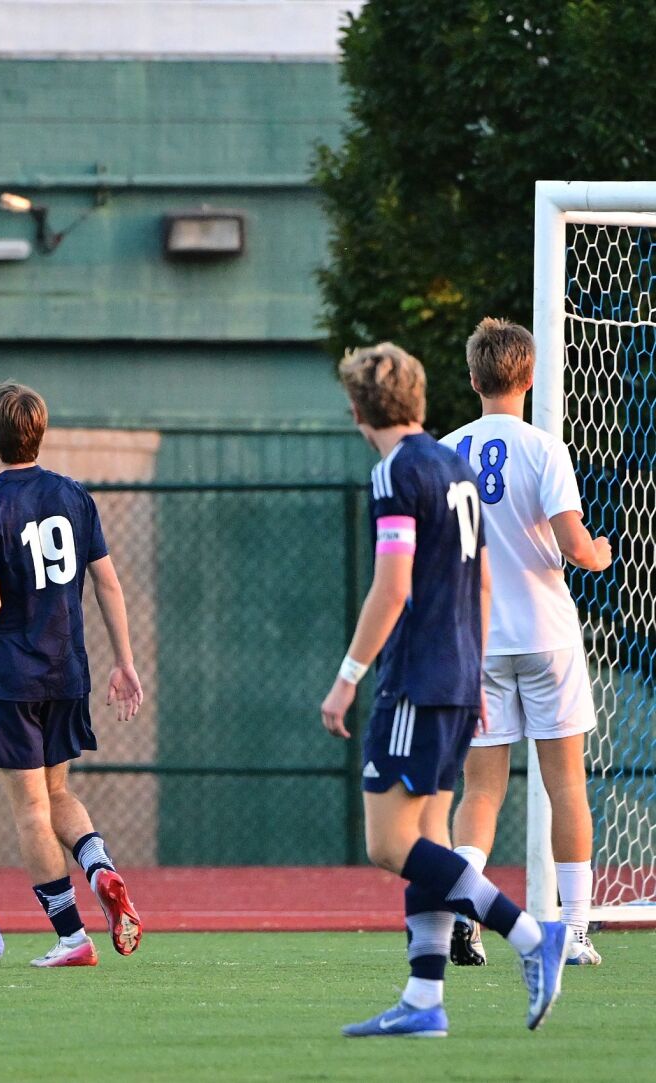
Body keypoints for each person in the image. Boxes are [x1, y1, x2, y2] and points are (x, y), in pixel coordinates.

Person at [318, 342, 567, 1037]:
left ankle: (527, 933)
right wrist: (475, 673)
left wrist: (346, 680)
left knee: (389, 844)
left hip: (417, 678)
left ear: (358, 407)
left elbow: (393, 585)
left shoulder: (396, 470)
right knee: (430, 833)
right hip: (460, 677)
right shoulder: (455, 467)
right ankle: (425, 999)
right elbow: (482, 582)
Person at [0, 383, 144, 968]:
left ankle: (71, 936)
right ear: (39, 434)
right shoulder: (75, 496)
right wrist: (124, 660)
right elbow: (108, 583)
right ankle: (99, 867)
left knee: (30, 809)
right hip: (68, 671)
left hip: (12, 678)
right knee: (58, 791)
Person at [443, 318, 612, 968]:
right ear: (530, 374)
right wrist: (596, 555)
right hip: (546, 636)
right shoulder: (545, 448)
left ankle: (466, 913)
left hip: (478, 637)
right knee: (566, 783)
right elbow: (573, 544)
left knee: (480, 789)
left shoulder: (447, 449)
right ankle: (572, 932)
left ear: (473, 376)